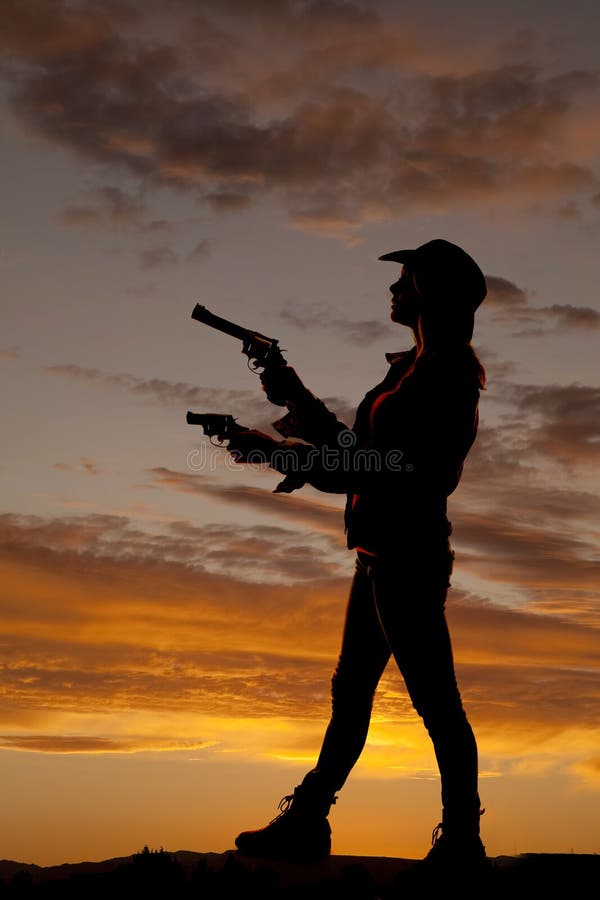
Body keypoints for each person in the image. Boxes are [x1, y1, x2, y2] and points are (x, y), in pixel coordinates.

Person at [225, 238, 488, 870]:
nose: (394, 289)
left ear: (432, 291)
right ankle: (309, 823)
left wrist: (277, 452)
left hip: (409, 557)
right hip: (379, 553)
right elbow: (355, 451)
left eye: (407, 279)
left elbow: (376, 467)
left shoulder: (443, 373)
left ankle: (461, 843)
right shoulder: (409, 369)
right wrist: (292, 397)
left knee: (436, 703)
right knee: (353, 695)